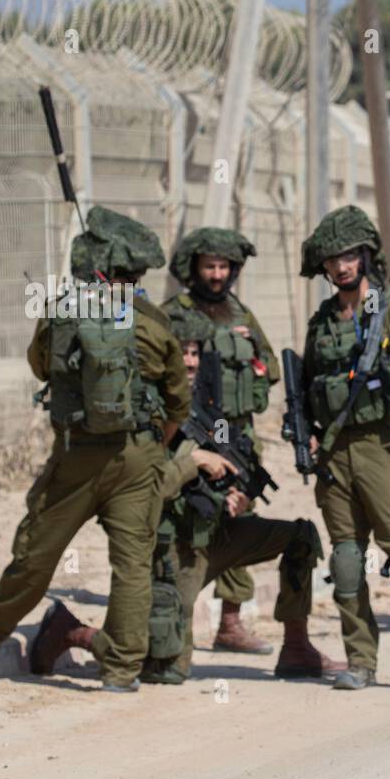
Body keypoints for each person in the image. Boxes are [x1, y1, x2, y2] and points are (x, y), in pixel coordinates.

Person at [0, 206, 190, 693]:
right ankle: (120, 671)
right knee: (133, 564)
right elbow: (179, 401)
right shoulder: (155, 324)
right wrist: (150, 446)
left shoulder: (63, 313)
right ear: (134, 273)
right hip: (138, 455)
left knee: (38, 551)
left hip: (77, 454)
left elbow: (38, 367)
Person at [32, 324, 345, 684]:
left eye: (195, 353)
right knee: (166, 670)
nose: (191, 361)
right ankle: (70, 630)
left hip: (217, 533)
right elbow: (142, 488)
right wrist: (192, 462)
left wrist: (239, 493)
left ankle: (296, 649)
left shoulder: (209, 408)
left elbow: (229, 455)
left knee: (300, 538)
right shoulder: (143, 413)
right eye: (182, 353)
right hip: (174, 549)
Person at [297, 205, 390, 693]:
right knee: (345, 561)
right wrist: (305, 434)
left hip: (384, 448)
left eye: (349, 255)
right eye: (333, 259)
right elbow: (305, 386)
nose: (341, 266)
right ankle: (360, 661)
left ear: (365, 256)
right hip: (335, 453)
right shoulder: (322, 320)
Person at [160, 227, 281, 653]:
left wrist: (251, 358)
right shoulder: (174, 313)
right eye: (209, 266)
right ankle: (172, 622)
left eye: (224, 266)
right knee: (191, 517)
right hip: (189, 430)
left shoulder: (240, 314)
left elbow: (270, 365)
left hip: (237, 433)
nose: (216, 274)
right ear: (194, 268)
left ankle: (231, 621)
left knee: (236, 517)